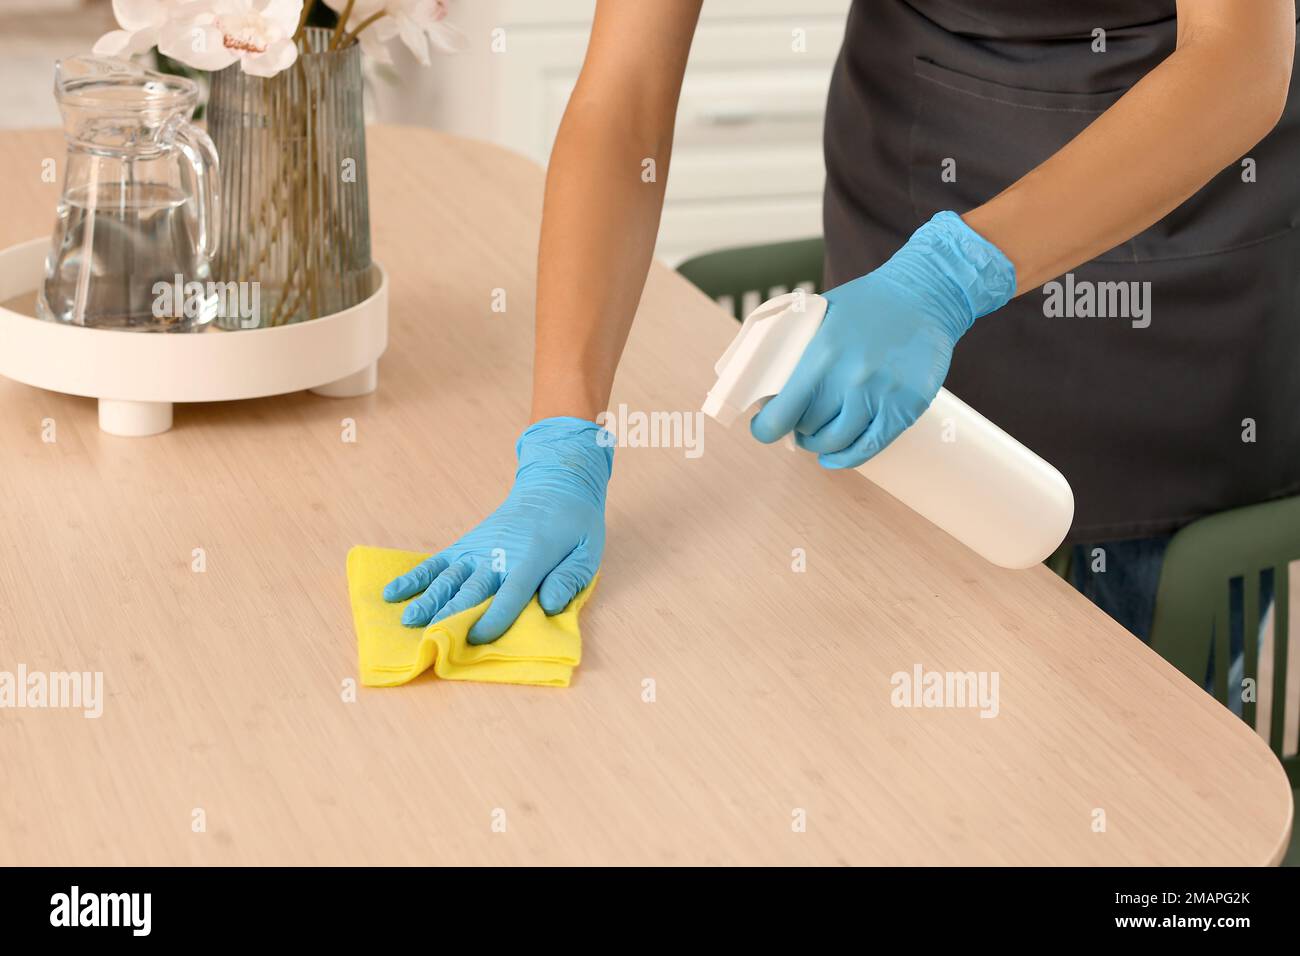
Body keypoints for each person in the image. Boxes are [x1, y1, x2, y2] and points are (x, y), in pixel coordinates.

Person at [383, 0, 1298, 650]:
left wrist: (951, 273)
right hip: (885, 269)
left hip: (1152, 323)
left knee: (1120, 801)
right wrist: (560, 442)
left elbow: (1239, 62)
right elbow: (622, 95)